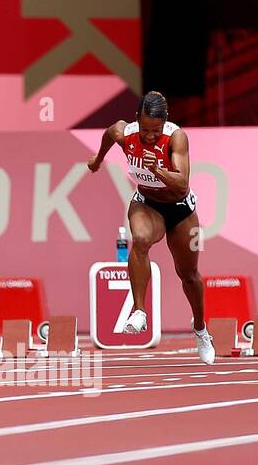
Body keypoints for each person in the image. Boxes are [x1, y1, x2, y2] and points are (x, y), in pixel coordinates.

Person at [86, 91, 215, 364]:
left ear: (165, 123)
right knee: (141, 240)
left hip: (182, 211)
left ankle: (201, 329)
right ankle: (140, 311)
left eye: (155, 131)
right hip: (147, 203)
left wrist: (157, 169)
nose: (149, 136)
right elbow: (109, 134)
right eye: (145, 129)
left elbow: (182, 184)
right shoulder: (126, 133)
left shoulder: (176, 137)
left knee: (189, 275)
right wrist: (97, 161)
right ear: (137, 120)